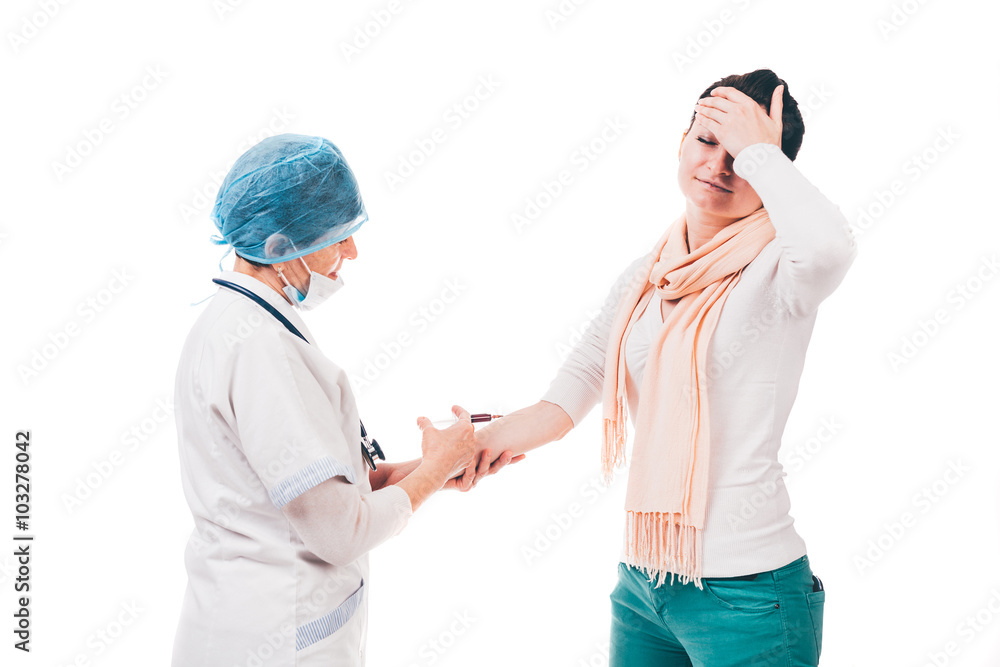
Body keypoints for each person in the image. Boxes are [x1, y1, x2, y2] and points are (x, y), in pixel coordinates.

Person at [470, 69, 857, 665]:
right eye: (706, 141)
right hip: (645, 581)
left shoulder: (784, 269)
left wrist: (762, 148)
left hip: (749, 592)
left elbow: (831, 244)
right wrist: (473, 445)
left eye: (744, 158)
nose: (719, 166)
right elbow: (571, 392)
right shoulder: (647, 275)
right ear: (681, 141)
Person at [171, 133, 519, 666]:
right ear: (279, 247)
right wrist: (433, 472)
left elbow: (314, 492)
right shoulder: (261, 350)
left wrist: (431, 468)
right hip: (274, 642)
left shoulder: (238, 326)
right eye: (338, 237)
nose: (352, 251)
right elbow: (339, 531)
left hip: (248, 625)